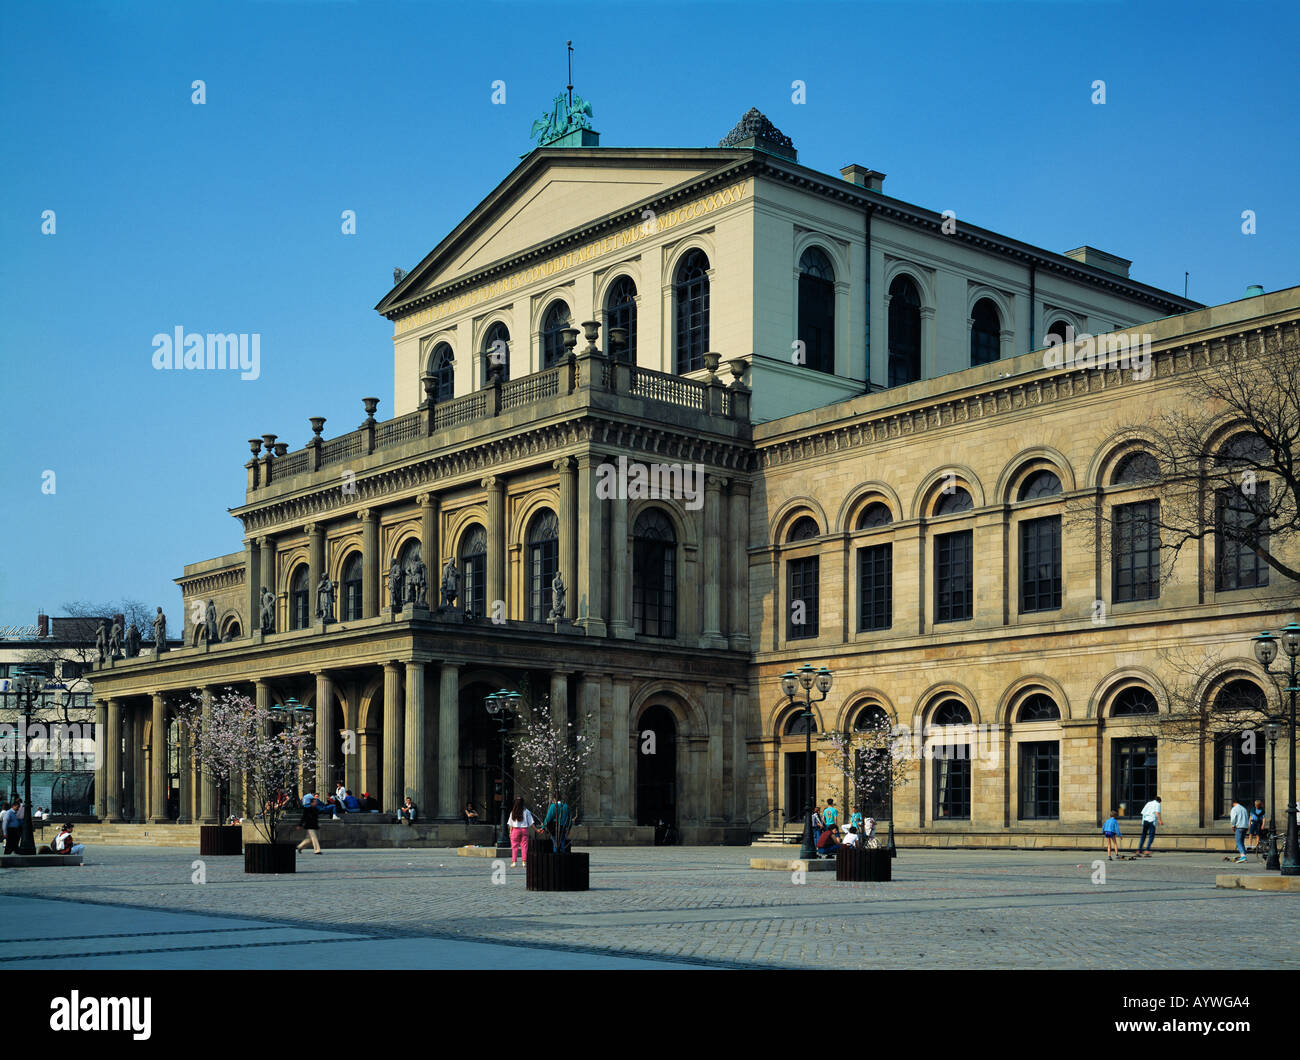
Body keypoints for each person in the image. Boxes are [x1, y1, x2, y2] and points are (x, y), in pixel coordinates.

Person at [507, 797, 534, 867]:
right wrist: (537, 830)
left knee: (514, 847)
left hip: (515, 830)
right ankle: (524, 862)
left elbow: (511, 824)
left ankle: (514, 862)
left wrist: (510, 832)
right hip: (524, 830)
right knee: (524, 846)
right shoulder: (527, 811)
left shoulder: (513, 811)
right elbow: (531, 823)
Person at [1229, 797, 1249, 863]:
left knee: (1238, 842)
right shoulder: (1244, 808)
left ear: (1233, 803)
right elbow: (1247, 817)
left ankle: (1243, 856)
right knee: (1242, 842)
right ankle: (1244, 856)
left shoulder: (1234, 809)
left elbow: (1233, 819)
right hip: (1245, 827)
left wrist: (1233, 825)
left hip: (1239, 826)